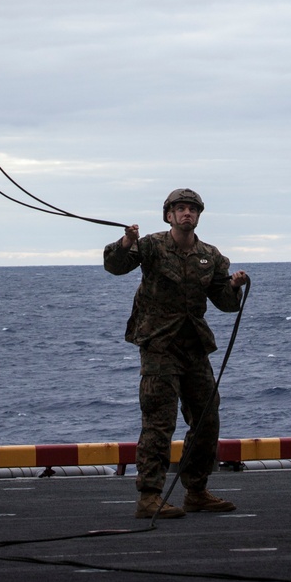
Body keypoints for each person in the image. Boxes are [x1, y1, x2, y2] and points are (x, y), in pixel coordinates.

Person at [103, 188, 249, 519]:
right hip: (159, 345)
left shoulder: (210, 255)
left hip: (193, 346)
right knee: (159, 421)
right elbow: (115, 266)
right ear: (169, 216)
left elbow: (225, 303)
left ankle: (196, 491)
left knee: (207, 417)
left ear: (198, 216)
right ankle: (149, 496)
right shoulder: (151, 245)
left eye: (192, 209)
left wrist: (233, 286)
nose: (187, 213)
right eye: (180, 209)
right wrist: (126, 242)